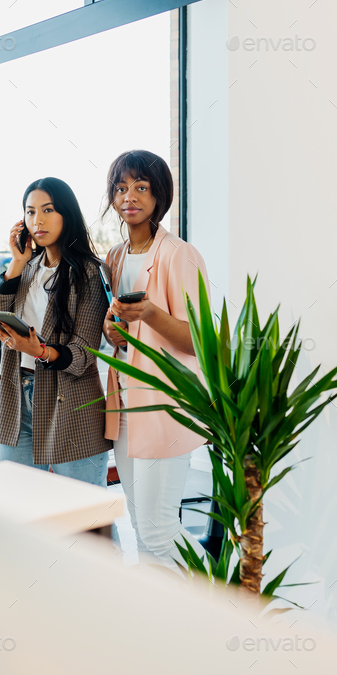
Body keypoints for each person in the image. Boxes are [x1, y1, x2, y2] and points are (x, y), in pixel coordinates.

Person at [102, 150, 209, 569]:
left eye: (141, 187)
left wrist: (149, 313)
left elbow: (199, 341)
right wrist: (114, 333)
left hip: (163, 405)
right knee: (141, 526)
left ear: (159, 195)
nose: (129, 196)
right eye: (121, 188)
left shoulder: (179, 254)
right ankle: (159, 608)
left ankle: (223, 596)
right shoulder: (115, 257)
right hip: (126, 406)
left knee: (159, 528)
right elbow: (121, 335)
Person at [0, 177, 111, 484]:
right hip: (16, 399)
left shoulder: (91, 272)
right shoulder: (26, 268)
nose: (37, 220)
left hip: (72, 406)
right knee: (15, 503)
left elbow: (83, 354)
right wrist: (16, 263)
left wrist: (38, 351)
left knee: (83, 509)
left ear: (67, 214)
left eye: (48, 210)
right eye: (30, 212)